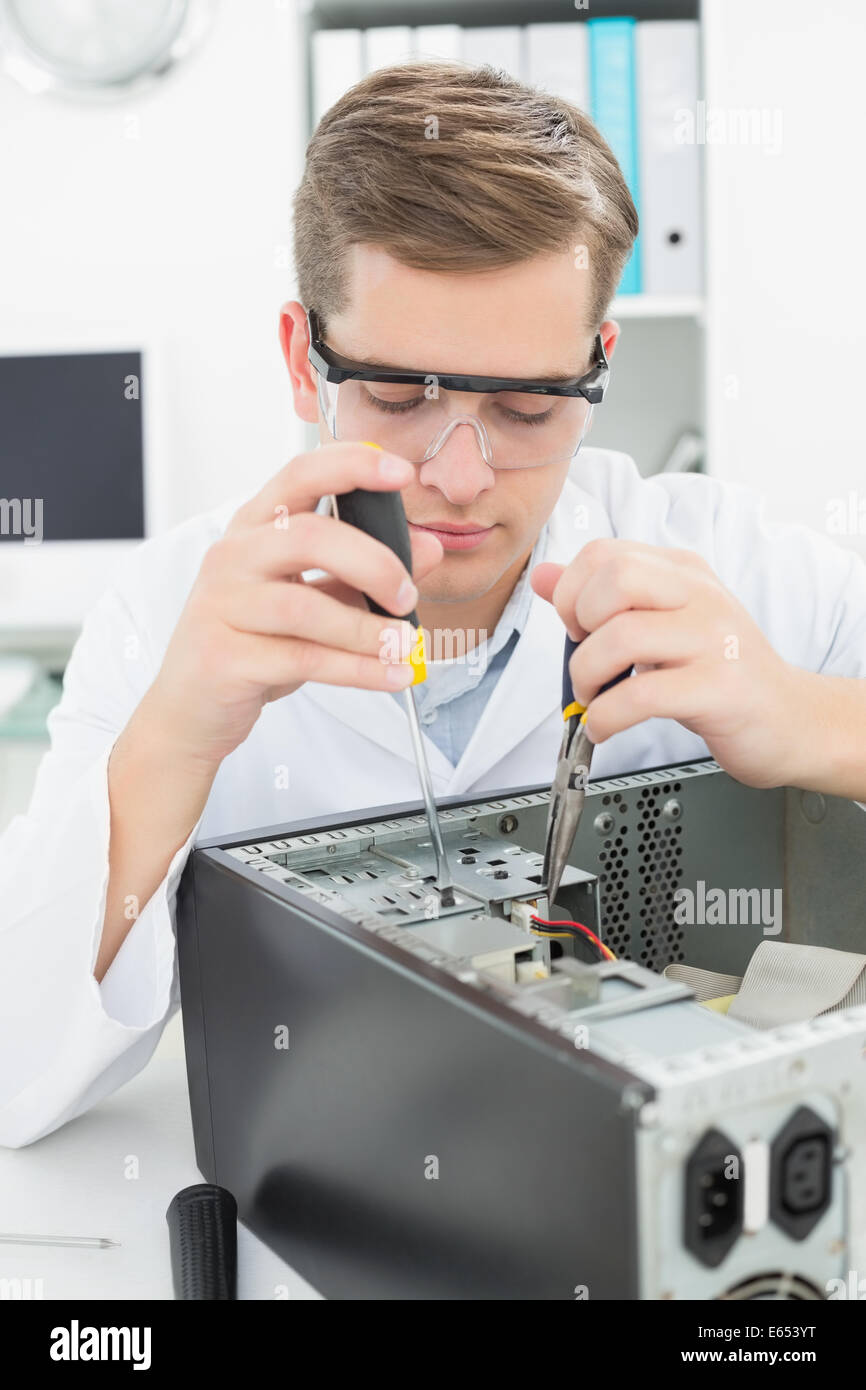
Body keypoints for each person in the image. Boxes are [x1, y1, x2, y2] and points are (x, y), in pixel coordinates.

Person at [2, 62, 865, 1149]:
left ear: (596, 366)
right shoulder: (167, 613)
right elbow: (13, 1077)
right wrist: (171, 741)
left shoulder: (722, 562)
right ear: (299, 358)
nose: (459, 477)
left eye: (524, 406)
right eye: (402, 396)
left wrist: (810, 720)